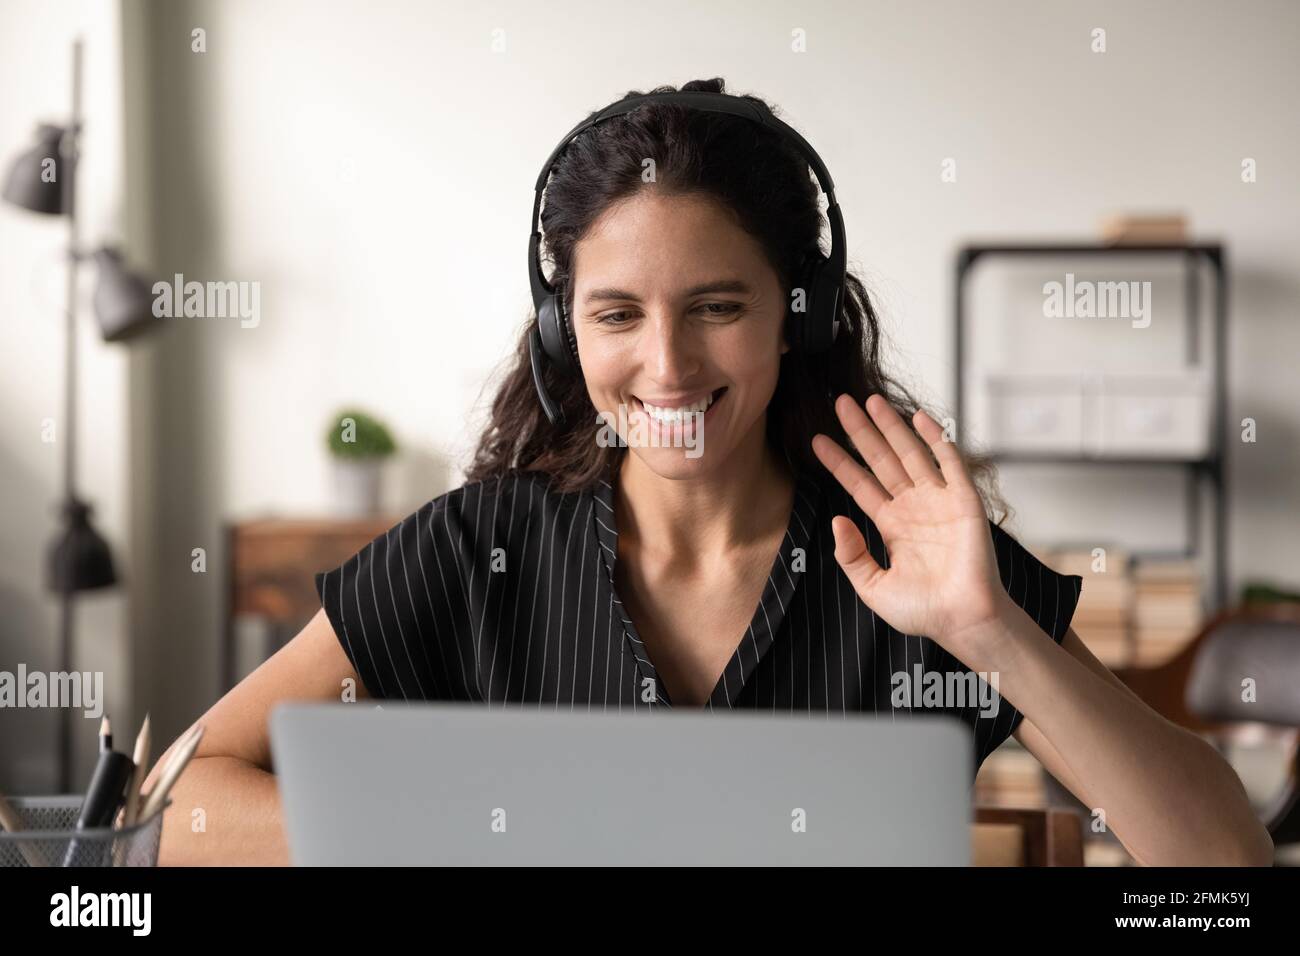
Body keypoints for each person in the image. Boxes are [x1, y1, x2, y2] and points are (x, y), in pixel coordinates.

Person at [147, 78, 1271, 866]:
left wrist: (990, 633)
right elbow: (172, 804)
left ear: (798, 318)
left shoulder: (910, 551)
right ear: (562, 336)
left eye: (718, 307)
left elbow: (1225, 854)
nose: (668, 366)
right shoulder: (474, 549)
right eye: (617, 314)